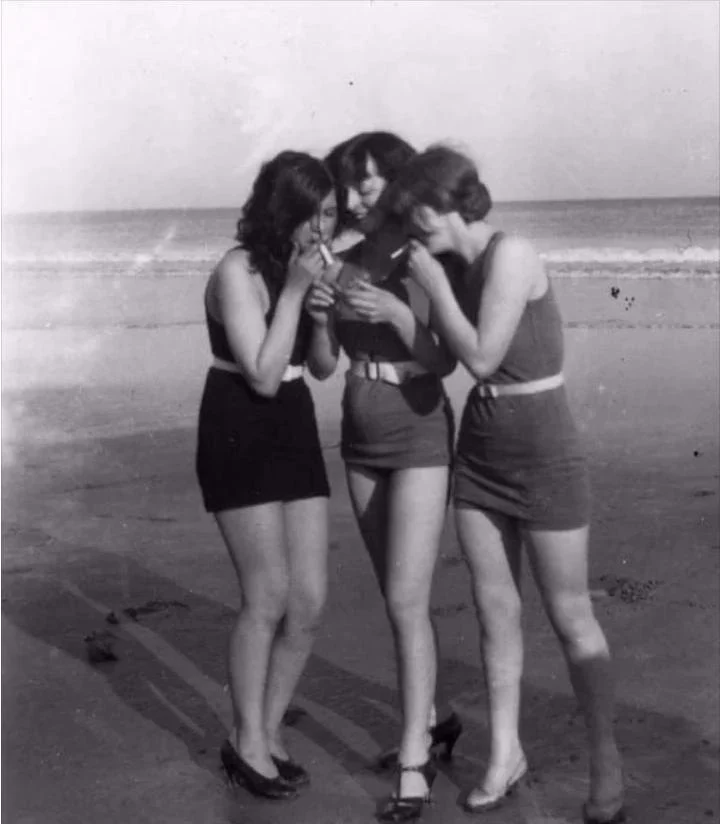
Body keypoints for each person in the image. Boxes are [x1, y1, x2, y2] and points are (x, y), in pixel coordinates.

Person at [387, 145, 625, 824]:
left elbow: (485, 354)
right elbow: (445, 358)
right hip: (481, 451)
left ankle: (606, 758)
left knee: (571, 616)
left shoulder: (511, 253)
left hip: (545, 450)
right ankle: (505, 754)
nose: (413, 228)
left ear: (446, 202)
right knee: (494, 612)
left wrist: (430, 288)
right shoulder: (453, 268)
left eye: (416, 213)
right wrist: (401, 311)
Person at [308, 131, 459, 822]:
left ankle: (413, 761)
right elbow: (324, 363)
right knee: (395, 594)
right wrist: (318, 319)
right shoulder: (346, 255)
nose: (353, 196)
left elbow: (447, 360)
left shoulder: (425, 255)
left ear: (396, 182)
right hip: (359, 429)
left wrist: (399, 313)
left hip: (420, 425)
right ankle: (434, 717)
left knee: (405, 600)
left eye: (367, 183)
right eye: (347, 184)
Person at [195, 150, 339, 800]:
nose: (323, 229)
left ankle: (268, 730)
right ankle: (245, 739)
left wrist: (319, 314)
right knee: (268, 594)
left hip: (292, 422)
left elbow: (318, 368)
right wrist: (293, 292)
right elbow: (257, 370)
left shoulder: (295, 270)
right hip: (238, 425)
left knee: (307, 599)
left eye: (331, 215)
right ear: (280, 212)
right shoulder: (237, 270)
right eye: (312, 215)